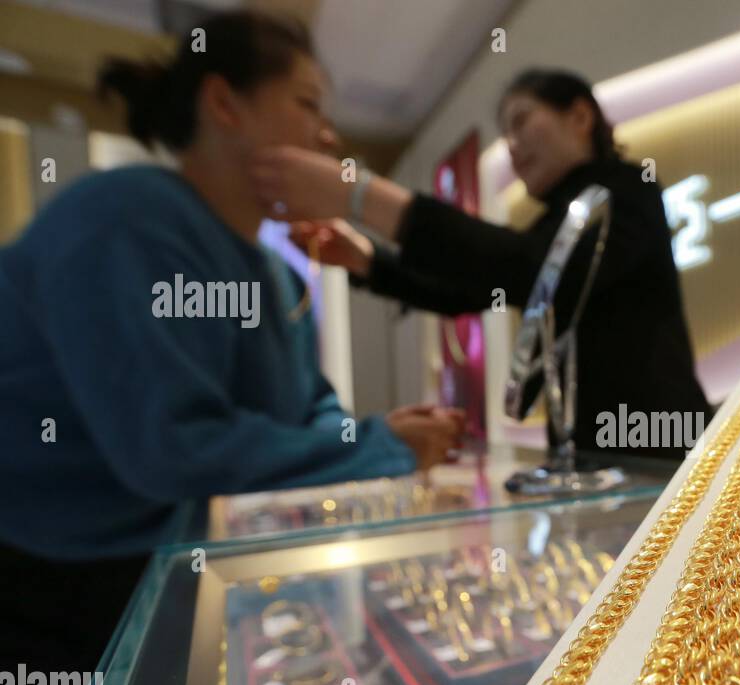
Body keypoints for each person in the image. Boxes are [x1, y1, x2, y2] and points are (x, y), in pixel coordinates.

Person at [0, 11, 462, 685]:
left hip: (176, 576)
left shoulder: (277, 278)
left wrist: (375, 436)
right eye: (308, 105)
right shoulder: (120, 220)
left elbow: (308, 412)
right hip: (58, 588)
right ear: (224, 104)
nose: (327, 135)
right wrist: (377, 447)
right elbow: (172, 446)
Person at [249, 69, 713, 462]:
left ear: (579, 115)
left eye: (520, 121)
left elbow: (527, 268)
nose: (511, 146)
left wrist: (360, 195)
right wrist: (366, 261)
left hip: (657, 444)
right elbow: (467, 288)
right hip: (595, 451)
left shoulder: (625, 192)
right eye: (505, 133)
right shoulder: (556, 219)